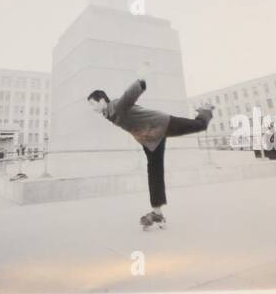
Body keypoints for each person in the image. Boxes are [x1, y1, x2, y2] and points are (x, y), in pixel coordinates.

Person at [87, 65, 214, 230]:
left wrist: (141, 79)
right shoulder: (108, 114)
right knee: (154, 173)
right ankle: (157, 212)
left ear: (102, 100)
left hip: (161, 123)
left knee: (199, 125)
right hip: (150, 139)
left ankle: (206, 111)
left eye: (92, 104)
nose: (92, 108)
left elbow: (129, 96)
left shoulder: (116, 106)